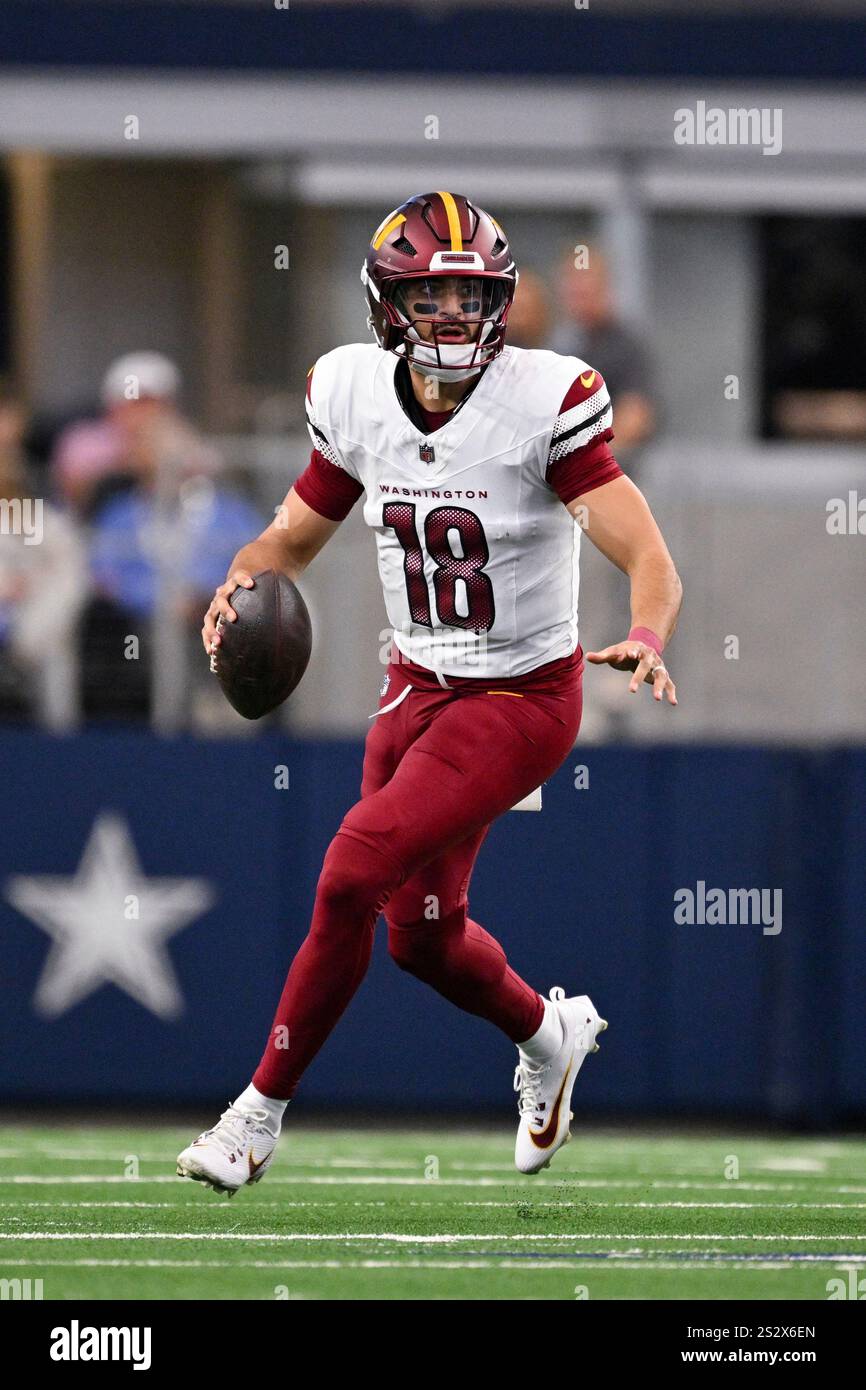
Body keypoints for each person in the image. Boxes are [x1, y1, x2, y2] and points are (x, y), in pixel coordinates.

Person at [176, 193, 682, 1194]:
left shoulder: (544, 398)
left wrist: (645, 631)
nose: (451, 313)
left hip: (520, 697)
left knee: (346, 872)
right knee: (419, 937)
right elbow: (293, 534)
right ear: (386, 301)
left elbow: (643, 546)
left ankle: (255, 1114)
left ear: (499, 300)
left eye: (469, 292)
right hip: (412, 681)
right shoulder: (353, 391)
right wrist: (239, 580)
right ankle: (548, 1034)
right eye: (431, 291)